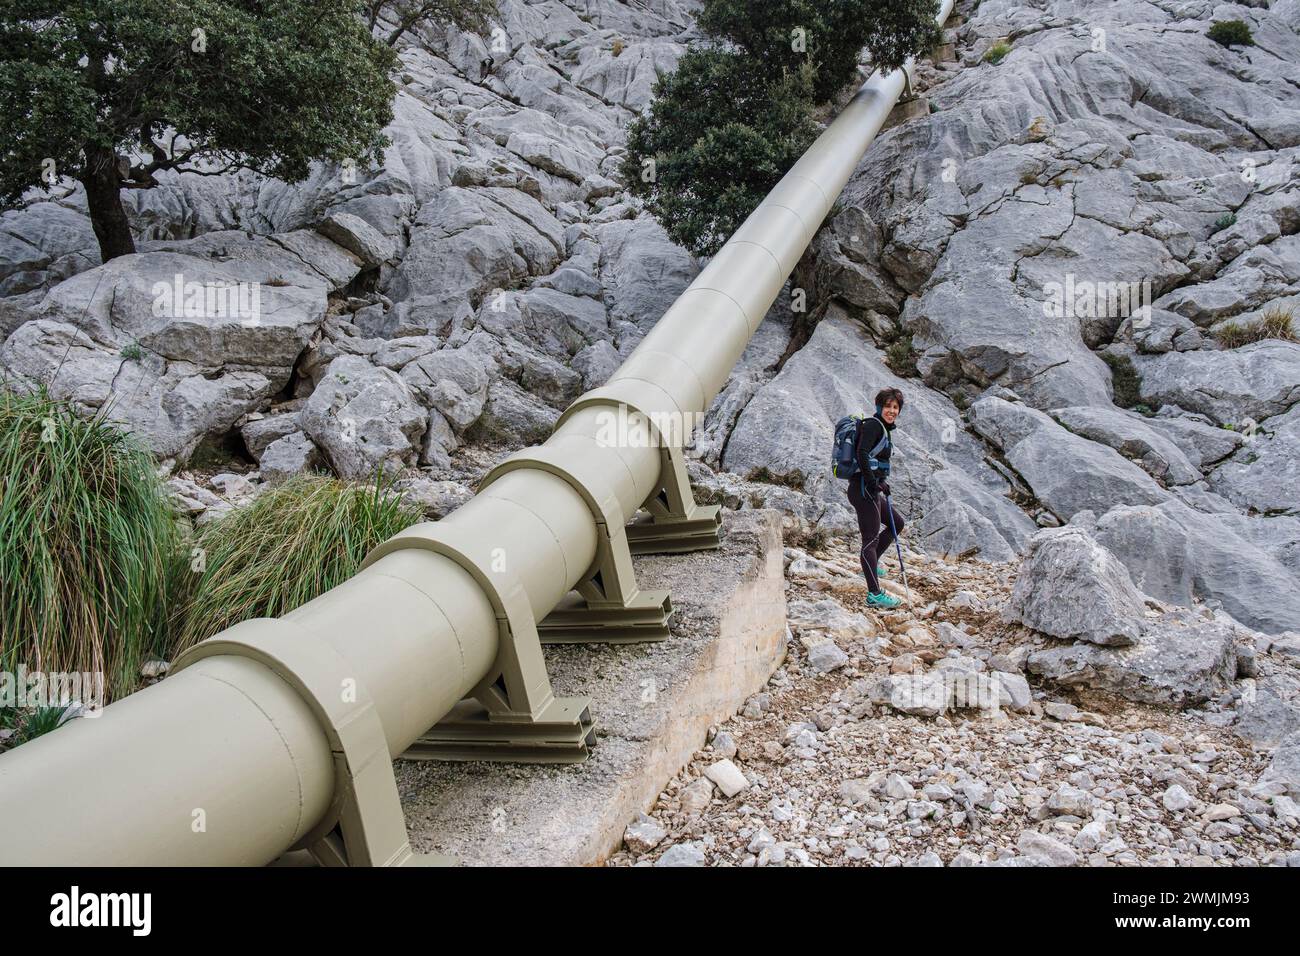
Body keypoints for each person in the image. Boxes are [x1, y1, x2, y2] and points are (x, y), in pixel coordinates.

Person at [847, 387, 906, 609]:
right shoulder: (873, 425)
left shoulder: (882, 427)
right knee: (869, 540)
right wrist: (874, 482)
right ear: (879, 407)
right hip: (864, 489)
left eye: (895, 407)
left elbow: (872, 458)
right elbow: (862, 452)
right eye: (888, 406)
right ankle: (874, 594)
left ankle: (872, 563)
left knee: (896, 523)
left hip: (870, 488)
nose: (892, 411)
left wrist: (880, 482)